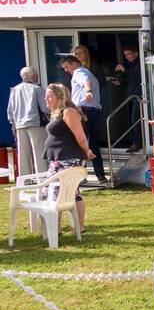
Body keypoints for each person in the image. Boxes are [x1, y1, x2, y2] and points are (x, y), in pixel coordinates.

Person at [41, 82, 94, 232]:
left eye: (49, 96)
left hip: (68, 159)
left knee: (57, 192)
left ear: (59, 97)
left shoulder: (68, 111)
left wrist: (87, 151)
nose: (46, 99)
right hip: (60, 159)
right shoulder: (58, 112)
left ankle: (62, 228)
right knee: (69, 193)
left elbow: (80, 136)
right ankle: (71, 227)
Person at [59, 55, 106, 183]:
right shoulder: (90, 73)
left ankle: (80, 176)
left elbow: (85, 81)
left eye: (67, 67)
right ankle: (100, 175)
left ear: (74, 64)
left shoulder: (79, 72)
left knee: (79, 143)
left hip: (83, 110)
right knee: (92, 144)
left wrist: (88, 91)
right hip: (95, 110)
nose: (66, 70)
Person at [7, 65, 49, 177]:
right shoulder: (37, 88)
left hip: (19, 124)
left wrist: (13, 122)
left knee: (23, 154)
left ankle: (25, 180)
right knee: (39, 152)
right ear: (34, 76)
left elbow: (10, 110)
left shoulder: (14, 89)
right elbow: (45, 108)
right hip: (36, 123)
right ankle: (42, 178)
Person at [109, 44, 144, 150]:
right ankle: (136, 142)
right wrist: (120, 82)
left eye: (129, 54)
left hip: (139, 96)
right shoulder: (132, 65)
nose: (127, 57)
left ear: (136, 54)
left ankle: (138, 143)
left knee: (135, 119)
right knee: (133, 120)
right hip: (132, 96)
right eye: (125, 55)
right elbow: (131, 80)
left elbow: (138, 78)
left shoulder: (140, 64)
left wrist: (124, 70)